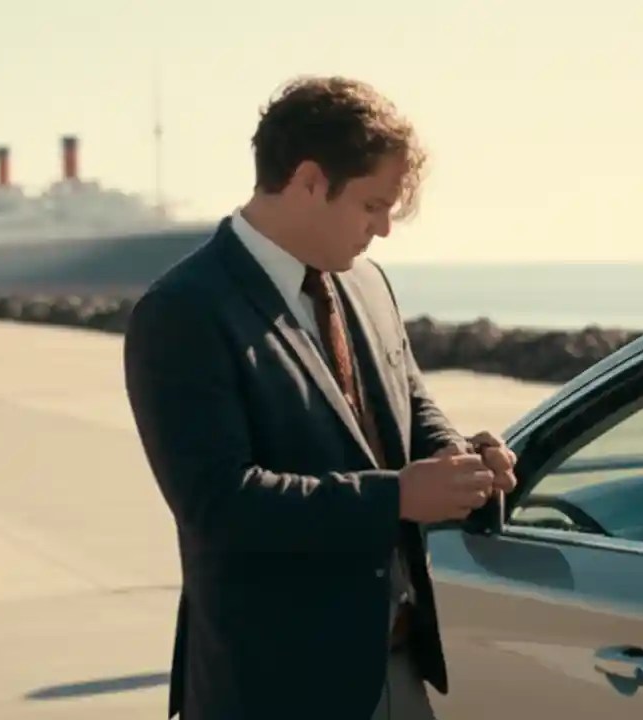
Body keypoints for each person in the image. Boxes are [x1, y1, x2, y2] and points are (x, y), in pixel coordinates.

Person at [123, 75, 517, 720]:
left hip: (399, 667)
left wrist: (460, 461)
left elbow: (410, 407)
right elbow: (219, 505)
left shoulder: (368, 283)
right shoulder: (182, 311)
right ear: (309, 181)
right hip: (274, 687)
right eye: (372, 206)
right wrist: (397, 497)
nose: (383, 229)